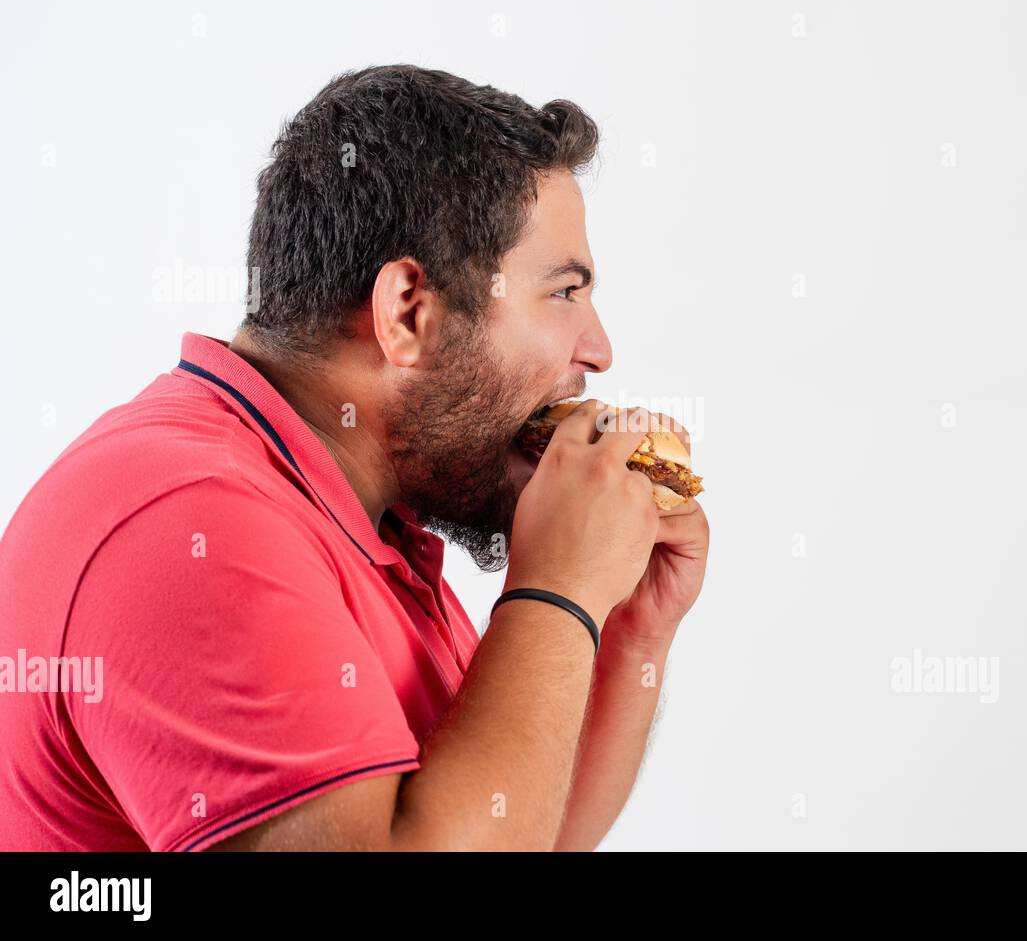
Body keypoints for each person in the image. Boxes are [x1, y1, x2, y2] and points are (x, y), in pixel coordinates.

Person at [0, 65, 709, 851]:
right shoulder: (191, 521)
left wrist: (631, 624)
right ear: (408, 312)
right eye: (564, 293)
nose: (599, 350)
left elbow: (524, 828)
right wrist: (558, 588)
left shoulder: (368, 517)